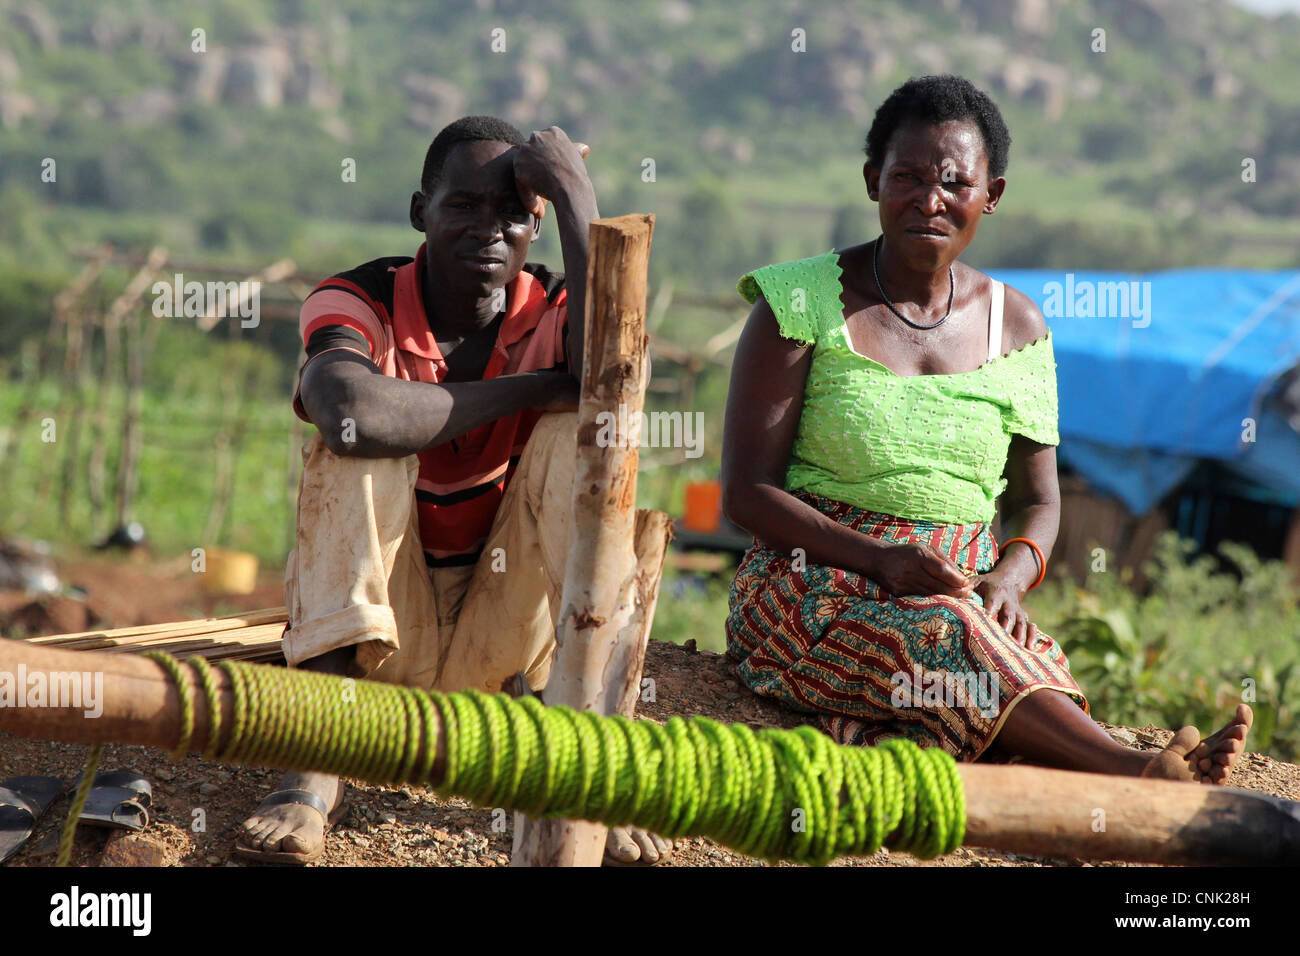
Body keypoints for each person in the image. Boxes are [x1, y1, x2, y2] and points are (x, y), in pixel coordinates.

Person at [720, 75, 1251, 782]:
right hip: (813, 580)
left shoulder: (1020, 327)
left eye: (953, 182)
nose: (928, 199)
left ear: (990, 196)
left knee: (1008, 653)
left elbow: (1040, 501)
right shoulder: (797, 300)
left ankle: (1082, 770)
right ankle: (1137, 773)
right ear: (872, 180)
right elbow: (747, 492)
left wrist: (1009, 579)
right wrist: (881, 561)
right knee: (953, 642)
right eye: (905, 177)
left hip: (960, 585)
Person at [238, 115, 672, 865]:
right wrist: (534, 386)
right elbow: (350, 413)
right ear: (420, 213)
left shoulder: (562, 305)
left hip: (503, 648)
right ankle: (312, 776)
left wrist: (576, 192)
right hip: (378, 644)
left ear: (537, 224)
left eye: (514, 211)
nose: (489, 229)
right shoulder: (359, 298)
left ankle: (598, 769)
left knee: (587, 430)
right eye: (463, 206)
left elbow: (616, 379)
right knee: (355, 448)